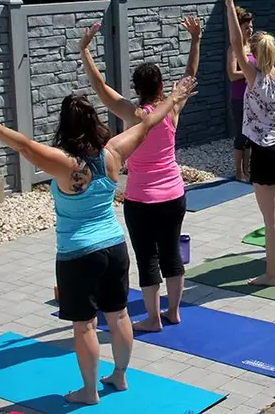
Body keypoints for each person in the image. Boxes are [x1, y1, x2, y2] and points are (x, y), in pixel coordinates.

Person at [0, 79, 195, 404]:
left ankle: (88, 392)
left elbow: (25, 147)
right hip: (114, 247)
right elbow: (149, 123)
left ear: (65, 127)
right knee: (120, 315)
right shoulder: (113, 153)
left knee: (84, 326)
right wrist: (174, 97)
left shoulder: (64, 163)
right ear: (94, 121)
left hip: (77, 255)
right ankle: (120, 376)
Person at [80, 18, 201, 333]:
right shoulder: (172, 110)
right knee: (172, 253)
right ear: (162, 87)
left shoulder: (134, 115)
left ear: (137, 90)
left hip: (142, 200)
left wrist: (84, 51)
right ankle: (173, 312)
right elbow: (189, 78)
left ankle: (153, 318)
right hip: (174, 195)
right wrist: (195, 40)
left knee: (147, 258)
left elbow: (100, 88)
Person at [225, 0, 275, 287]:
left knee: (271, 221)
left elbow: (234, 41)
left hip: (264, 153)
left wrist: (230, 4)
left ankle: (272, 274)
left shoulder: (254, 78)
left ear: (256, 56)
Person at [227, 6, 255, 182]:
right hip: (239, 98)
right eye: (246, 28)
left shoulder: (253, 47)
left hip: (253, 97)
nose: (250, 30)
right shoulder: (233, 50)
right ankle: (238, 171)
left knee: (252, 134)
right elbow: (231, 75)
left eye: (251, 27)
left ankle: (247, 169)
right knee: (241, 135)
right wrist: (249, 72)